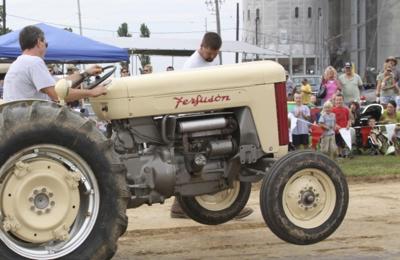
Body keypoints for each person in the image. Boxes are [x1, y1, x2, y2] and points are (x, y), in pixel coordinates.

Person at [171, 32, 253, 220]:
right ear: (202, 46)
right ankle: (228, 205)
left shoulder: (209, 64)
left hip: (206, 115)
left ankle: (179, 206)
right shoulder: (192, 66)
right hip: (197, 117)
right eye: (210, 53)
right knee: (214, 157)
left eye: (215, 54)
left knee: (196, 160)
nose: (213, 56)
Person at [3, 25, 106, 103]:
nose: (46, 49)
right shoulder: (34, 62)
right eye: (46, 44)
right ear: (39, 42)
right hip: (32, 121)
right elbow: (58, 94)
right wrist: (91, 92)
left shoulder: (18, 63)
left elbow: (61, 84)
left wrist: (85, 73)